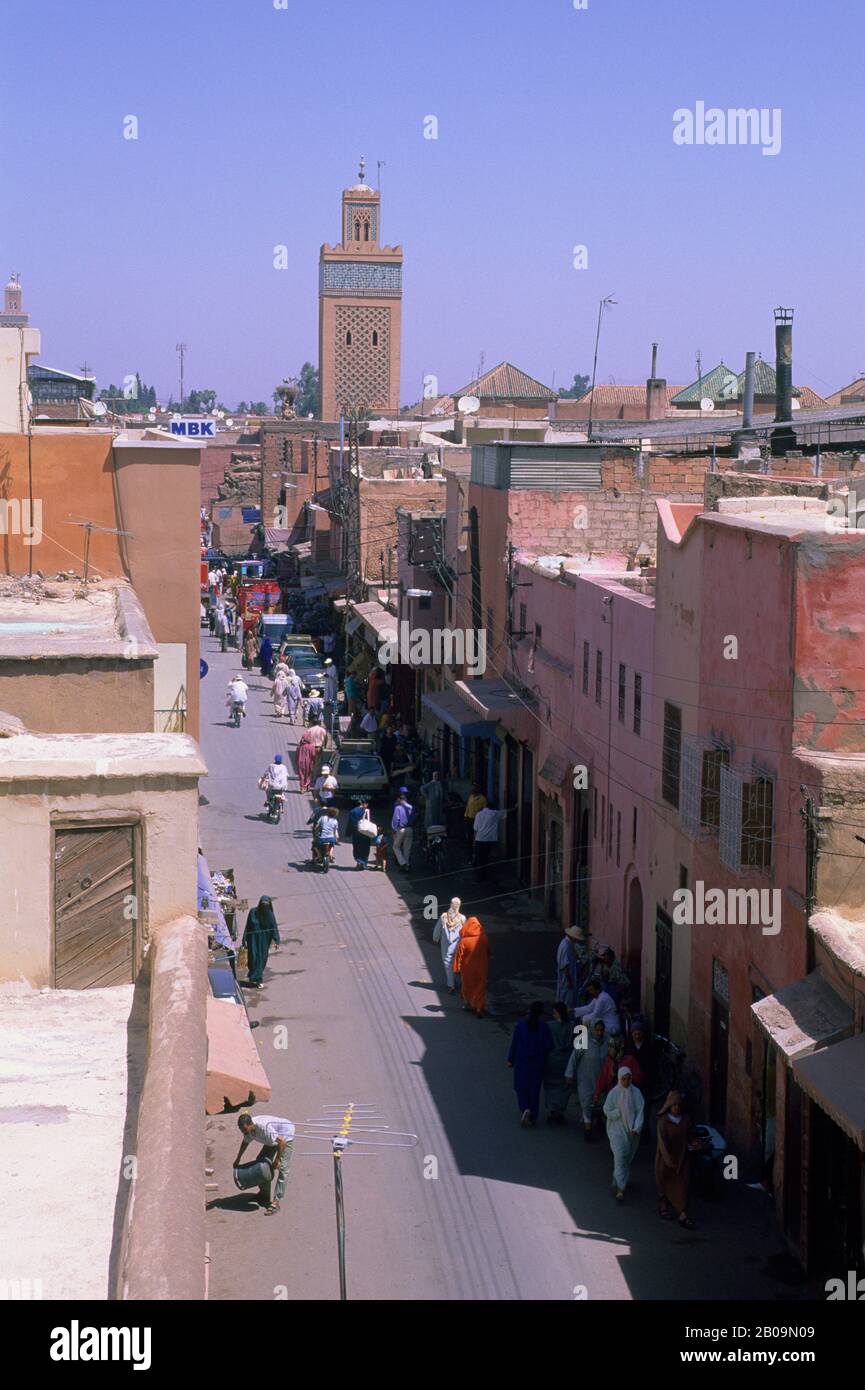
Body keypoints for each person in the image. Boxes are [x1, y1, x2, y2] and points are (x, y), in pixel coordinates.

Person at [234, 1112, 294, 1215]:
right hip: (271, 1141)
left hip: (285, 1136)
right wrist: (238, 1159)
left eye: (244, 1130)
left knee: (283, 1169)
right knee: (261, 1165)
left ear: (251, 1124)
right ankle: (264, 1195)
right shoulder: (248, 1131)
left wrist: (276, 1161)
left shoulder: (264, 1128)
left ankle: (276, 1202)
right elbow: (245, 1143)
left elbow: (282, 1142)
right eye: (241, 1130)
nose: (243, 1132)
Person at [507, 1002, 553, 1127]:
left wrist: (510, 1059)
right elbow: (548, 1046)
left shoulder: (521, 1026)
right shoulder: (544, 1027)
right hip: (538, 1063)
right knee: (534, 1089)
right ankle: (532, 1114)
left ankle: (525, 1108)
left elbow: (515, 1044)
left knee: (521, 1086)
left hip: (522, 1062)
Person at [655, 1091, 697, 1229]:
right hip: (666, 1157)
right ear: (669, 1106)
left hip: (681, 1156)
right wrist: (667, 1159)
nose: (676, 1108)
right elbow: (662, 1142)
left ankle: (683, 1214)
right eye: (674, 1105)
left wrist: (694, 1142)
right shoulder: (663, 1121)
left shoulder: (685, 1120)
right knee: (664, 1180)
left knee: (683, 1182)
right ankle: (663, 1205)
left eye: (679, 1105)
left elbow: (690, 1135)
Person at [603, 1066, 645, 1200]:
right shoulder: (614, 1093)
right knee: (620, 1156)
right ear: (619, 1079)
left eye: (628, 1079)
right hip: (617, 1131)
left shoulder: (636, 1093)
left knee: (627, 1158)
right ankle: (621, 1189)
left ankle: (619, 1179)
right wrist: (616, 1114)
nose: (626, 1081)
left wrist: (636, 1128)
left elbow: (640, 1112)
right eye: (623, 1079)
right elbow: (606, 1109)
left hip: (631, 1133)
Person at [566, 1017, 607, 1141]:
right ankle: (588, 1129)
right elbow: (574, 1058)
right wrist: (569, 1074)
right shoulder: (583, 1041)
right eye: (597, 1030)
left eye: (601, 1030)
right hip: (586, 1079)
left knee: (602, 1101)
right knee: (586, 1102)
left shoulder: (608, 1041)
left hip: (602, 1079)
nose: (599, 1033)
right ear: (592, 1030)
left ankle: (598, 1119)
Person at [544, 999, 574, 1125]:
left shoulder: (549, 1025)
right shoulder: (572, 1026)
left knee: (550, 1085)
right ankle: (560, 1109)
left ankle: (552, 1109)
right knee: (564, 1086)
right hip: (567, 1061)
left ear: (556, 1012)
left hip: (552, 1060)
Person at [454, 916, 491, 1017]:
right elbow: (488, 951)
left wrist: (457, 968)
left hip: (468, 969)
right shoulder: (484, 938)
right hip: (482, 967)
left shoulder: (464, 941)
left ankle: (469, 1004)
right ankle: (479, 1007)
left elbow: (459, 956)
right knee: (480, 986)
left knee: (468, 986)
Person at [594, 1034, 643, 1108]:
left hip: (628, 1098)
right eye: (609, 1046)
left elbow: (638, 1078)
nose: (609, 1049)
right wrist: (597, 1094)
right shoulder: (609, 1061)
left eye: (611, 1047)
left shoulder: (630, 1060)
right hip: (613, 1098)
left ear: (618, 1048)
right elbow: (602, 1078)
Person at [241, 896, 280, 988]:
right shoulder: (253, 912)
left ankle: (258, 979)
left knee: (261, 959)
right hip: (252, 940)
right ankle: (253, 976)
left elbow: (274, 928)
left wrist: (276, 941)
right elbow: (248, 926)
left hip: (264, 941)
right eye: (263, 904)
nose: (264, 907)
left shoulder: (270, 915)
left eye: (266, 905)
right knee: (253, 958)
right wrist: (244, 939)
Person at [471, 801, 512, 879]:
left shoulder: (479, 814)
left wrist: (474, 841)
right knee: (486, 857)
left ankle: (479, 875)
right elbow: (506, 811)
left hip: (479, 839)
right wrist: (515, 807)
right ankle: (485, 873)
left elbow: (475, 829)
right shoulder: (494, 813)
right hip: (490, 840)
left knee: (479, 857)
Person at [432, 897, 465, 992]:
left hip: (446, 944)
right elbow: (465, 931)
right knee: (458, 961)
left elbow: (438, 928)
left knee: (447, 962)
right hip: (457, 944)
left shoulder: (444, 917)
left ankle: (451, 984)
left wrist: (436, 937)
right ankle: (462, 983)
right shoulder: (462, 918)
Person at [556, 926, 581, 1010]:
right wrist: (570, 981)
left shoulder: (567, 943)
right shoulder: (566, 946)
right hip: (567, 977)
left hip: (569, 974)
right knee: (567, 998)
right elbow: (565, 966)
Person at [347, 796, 374, 869]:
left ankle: (358, 860)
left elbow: (350, 823)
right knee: (365, 847)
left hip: (356, 831)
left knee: (356, 846)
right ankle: (363, 862)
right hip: (365, 831)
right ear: (364, 804)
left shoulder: (352, 811)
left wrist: (348, 833)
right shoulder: (366, 811)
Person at [391, 788, 414, 869]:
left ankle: (402, 862)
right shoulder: (411, 807)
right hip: (410, 829)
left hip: (401, 829)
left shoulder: (398, 808)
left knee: (395, 847)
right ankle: (407, 865)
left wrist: (393, 830)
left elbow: (395, 819)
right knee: (407, 848)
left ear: (400, 800)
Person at [463, 783, 487, 849]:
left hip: (478, 820)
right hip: (470, 818)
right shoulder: (471, 797)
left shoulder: (482, 799)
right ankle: (470, 849)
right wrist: (465, 816)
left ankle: (477, 848)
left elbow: (484, 811)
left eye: (475, 788)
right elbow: (468, 807)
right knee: (470, 834)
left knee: (477, 835)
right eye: (473, 788)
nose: (473, 789)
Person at [323, 658, 339, 732]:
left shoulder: (334, 667)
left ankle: (331, 701)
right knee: (327, 691)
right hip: (327, 681)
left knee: (331, 691)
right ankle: (327, 700)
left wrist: (327, 675)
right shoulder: (328, 667)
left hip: (332, 682)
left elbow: (332, 675)